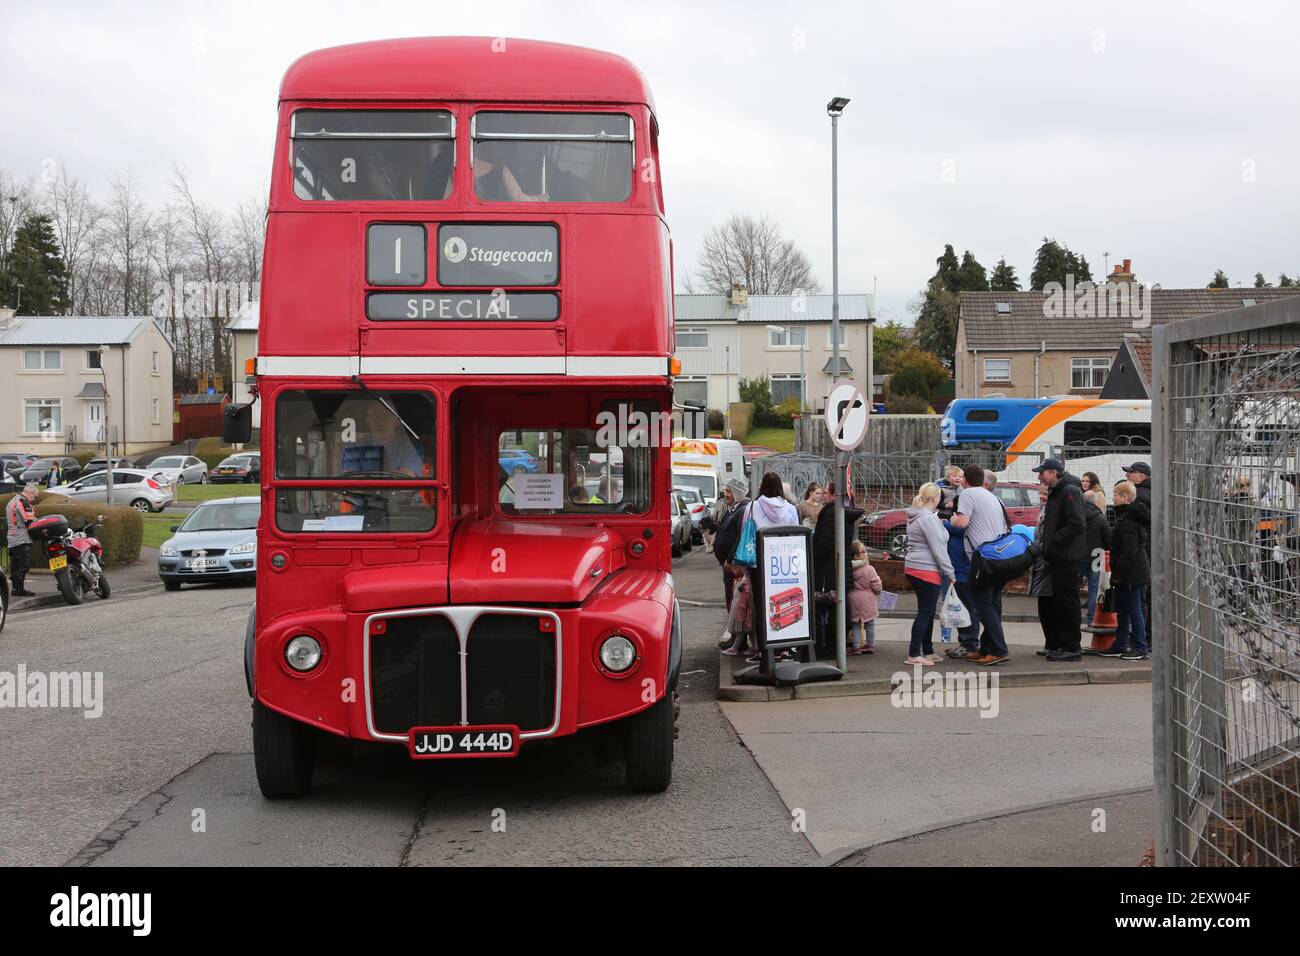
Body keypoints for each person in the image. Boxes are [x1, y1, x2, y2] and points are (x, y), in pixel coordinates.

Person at [949, 464, 1011, 665]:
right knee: (991, 604)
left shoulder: (968, 494)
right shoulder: (994, 497)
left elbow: (963, 523)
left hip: (982, 558)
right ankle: (986, 648)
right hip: (999, 557)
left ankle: (1000, 650)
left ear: (966, 480)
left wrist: (952, 520)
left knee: (982, 606)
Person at [1033, 457, 1088, 661]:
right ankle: (1060, 644)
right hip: (1058, 555)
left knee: (1067, 602)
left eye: (1042, 473)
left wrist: (1055, 540)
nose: (1040, 477)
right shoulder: (1059, 491)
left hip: (1066, 556)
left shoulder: (1068, 490)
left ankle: (1072, 646)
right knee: (1058, 602)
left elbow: (1077, 524)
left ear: (1054, 473)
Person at [903, 482, 955, 666]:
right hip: (926, 568)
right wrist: (950, 572)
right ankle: (914, 653)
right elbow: (938, 548)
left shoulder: (919, 514)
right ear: (935, 498)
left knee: (927, 611)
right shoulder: (927, 518)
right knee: (925, 613)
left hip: (914, 567)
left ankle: (928, 650)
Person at [1101, 481, 1150, 660]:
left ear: (1125, 498)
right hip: (1129, 572)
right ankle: (1120, 644)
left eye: (1116, 495)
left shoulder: (1129, 520)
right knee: (1122, 609)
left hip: (1131, 573)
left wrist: (1118, 575)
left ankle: (1140, 647)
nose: (1113, 498)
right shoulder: (1126, 517)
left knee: (1133, 609)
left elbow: (1128, 552)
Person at [1123, 461, 1153, 648]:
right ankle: (1146, 636)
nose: (1127, 476)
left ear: (1141, 476)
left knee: (1140, 599)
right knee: (1146, 597)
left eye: (1130, 472)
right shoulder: (1150, 493)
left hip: (1142, 552)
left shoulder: (1140, 497)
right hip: (1149, 550)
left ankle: (1141, 639)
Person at [712, 478, 749, 610]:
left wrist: (730, 558)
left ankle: (734, 628)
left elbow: (741, 536)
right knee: (729, 596)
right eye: (725, 491)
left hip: (734, 565)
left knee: (735, 599)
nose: (725, 494)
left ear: (737, 493)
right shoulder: (731, 510)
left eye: (729, 491)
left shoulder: (743, 510)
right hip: (727, 565)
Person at [1225, 476, 1257, 603]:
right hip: (1240, 549)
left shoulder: (1231, 502)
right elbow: (1240, 526)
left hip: (1231, 547)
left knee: (1233, 578)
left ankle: (1233, 602)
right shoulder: (1245, 505)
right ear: (1245, 487)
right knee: (1240, 579)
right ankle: (1238, 604)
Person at [849, 539, 882, 654]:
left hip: (853, 599)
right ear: (856, 556)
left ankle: (856, 646)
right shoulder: (869, 569)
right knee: (870, 623)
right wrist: (878, 591)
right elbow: (876, 585)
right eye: (864, 551)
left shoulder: (849, 570)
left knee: (855, 624)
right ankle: (870, 644)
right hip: (867, 599)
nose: (866, 553)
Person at [1083, 488, 1112, 624]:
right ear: (1095, 502)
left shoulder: (1077, 515)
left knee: (1072, 587)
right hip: (1095, 556)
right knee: (1094, 588)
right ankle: (1091, 618)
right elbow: (1108, 539)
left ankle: (1071, 618)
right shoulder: (1100, 518)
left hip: (1077, 555)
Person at [5, 484, 40, 596]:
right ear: (30, 493)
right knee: (23, 565)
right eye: (34, 497)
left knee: (15, 565)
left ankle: (16, 589)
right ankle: (19, 589)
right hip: (21, 538)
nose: (33, 500)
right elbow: (30, 521)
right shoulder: (23, 502)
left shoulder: (12, 501)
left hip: (12, 538)